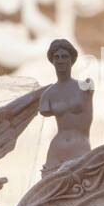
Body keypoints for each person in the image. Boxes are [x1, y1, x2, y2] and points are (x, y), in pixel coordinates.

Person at [40, 39, 94, 174]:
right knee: (49, 189)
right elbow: (44, 110)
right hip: (57, 148)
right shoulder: (48, 94)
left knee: (83, 186)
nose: (60, 60)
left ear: (72, 60)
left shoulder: (84, 87)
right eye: (56, 57)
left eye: (65, 56)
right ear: (52, 61)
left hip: (80, 145)